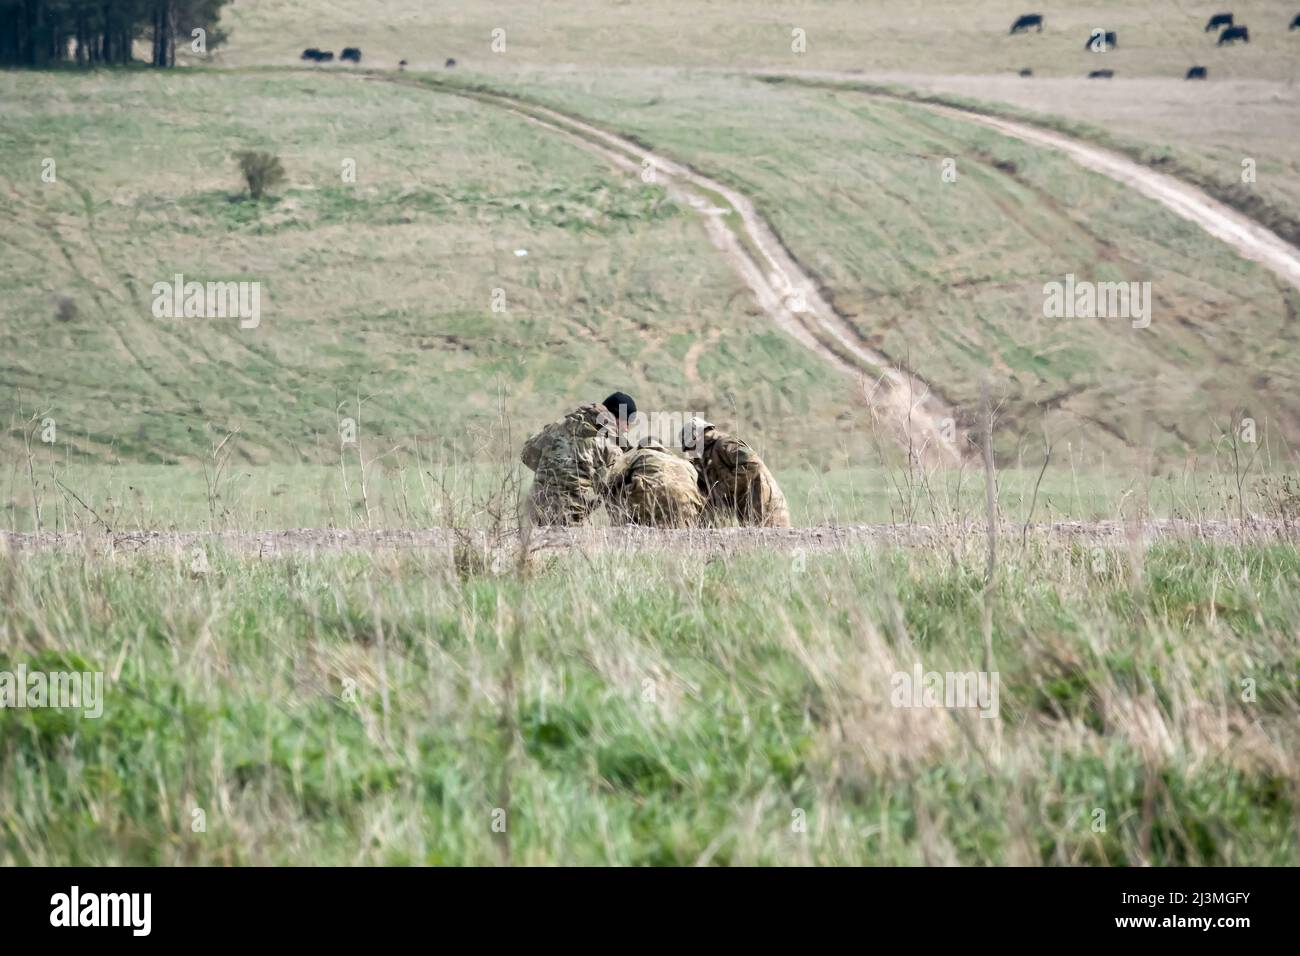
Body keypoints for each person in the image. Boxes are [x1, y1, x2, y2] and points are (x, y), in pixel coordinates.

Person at [520, 392, 636, 526]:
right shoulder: (608, 445)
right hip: (570, 521)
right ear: (616, 418)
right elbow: (613, 490)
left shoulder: (559, 426)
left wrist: (553, 471)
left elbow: (527, 455)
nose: (627, 429)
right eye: (627, 422)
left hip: (533, 517)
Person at [680, 417, 790, 528]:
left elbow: (752, 465)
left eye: (690, 447)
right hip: (751, 510)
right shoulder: (709, 454)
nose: (691, 452)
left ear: (696, 437)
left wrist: (721, 490)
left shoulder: (724, 443)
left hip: (766, 507)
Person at [605, 437, 707, 528]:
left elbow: (611, 480)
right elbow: (696, 484)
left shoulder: (637, 454)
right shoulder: (683, 462)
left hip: (649, 505)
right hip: (687, 509)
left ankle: (620, 528)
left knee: (617, 488)